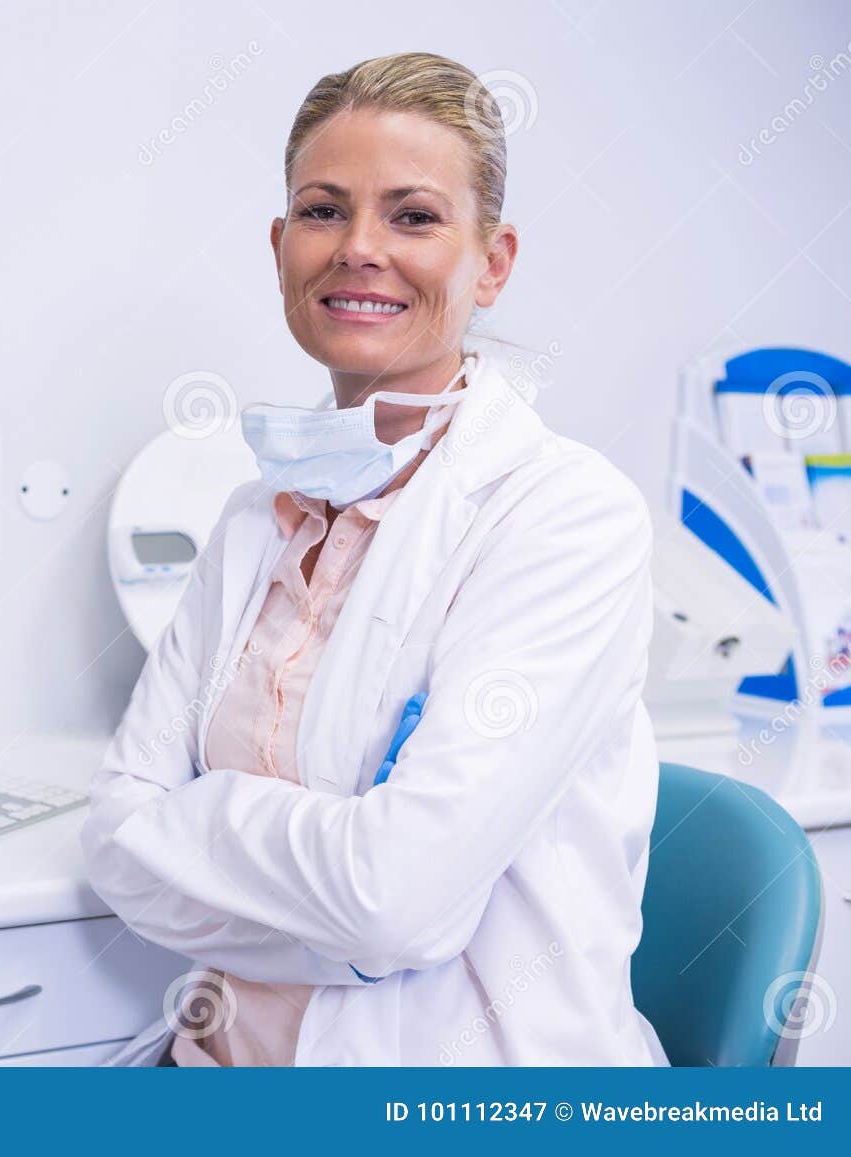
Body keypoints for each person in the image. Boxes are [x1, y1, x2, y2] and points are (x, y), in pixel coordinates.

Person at [82, 51, 667, 1067]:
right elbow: (114, 842)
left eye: (412, 216)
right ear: (279, 247)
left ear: (491, 260)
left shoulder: (564, 518)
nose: (358, 248)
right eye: (321, 211)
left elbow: (396, 903)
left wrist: (199, 817)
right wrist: (342, 908)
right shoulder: (251, 518)